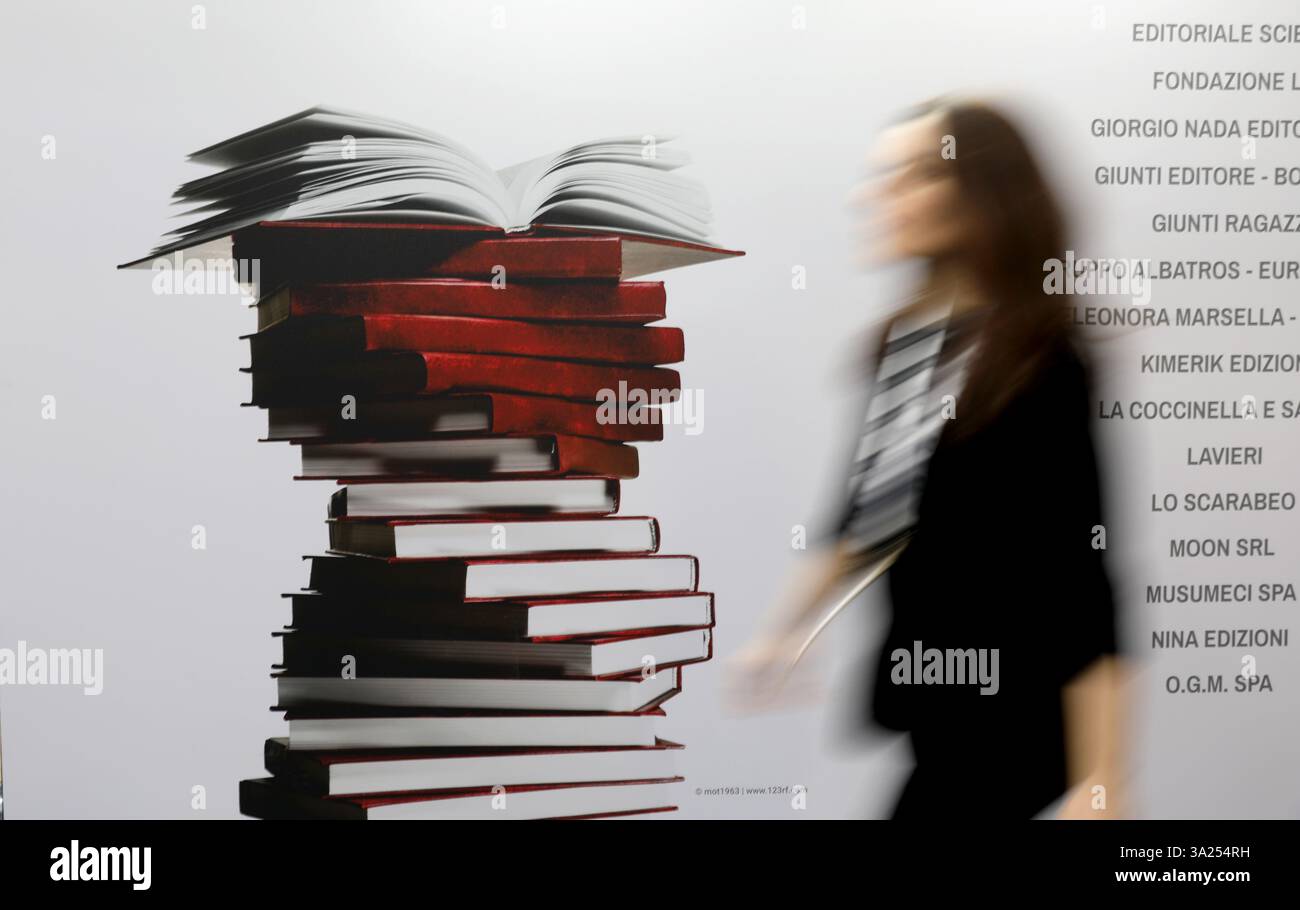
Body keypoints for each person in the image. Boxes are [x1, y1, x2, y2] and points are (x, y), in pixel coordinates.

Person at [733, 99, 1125, 819]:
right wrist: (781, 634)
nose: (876, 197)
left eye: (912, 176)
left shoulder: (1043, 362)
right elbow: (867, 521)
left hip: (1020, 738)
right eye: (882, 177)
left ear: (981, 194)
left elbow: (1086, 580)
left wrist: (1104, 777)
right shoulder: (909, 349)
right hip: (937, 726)